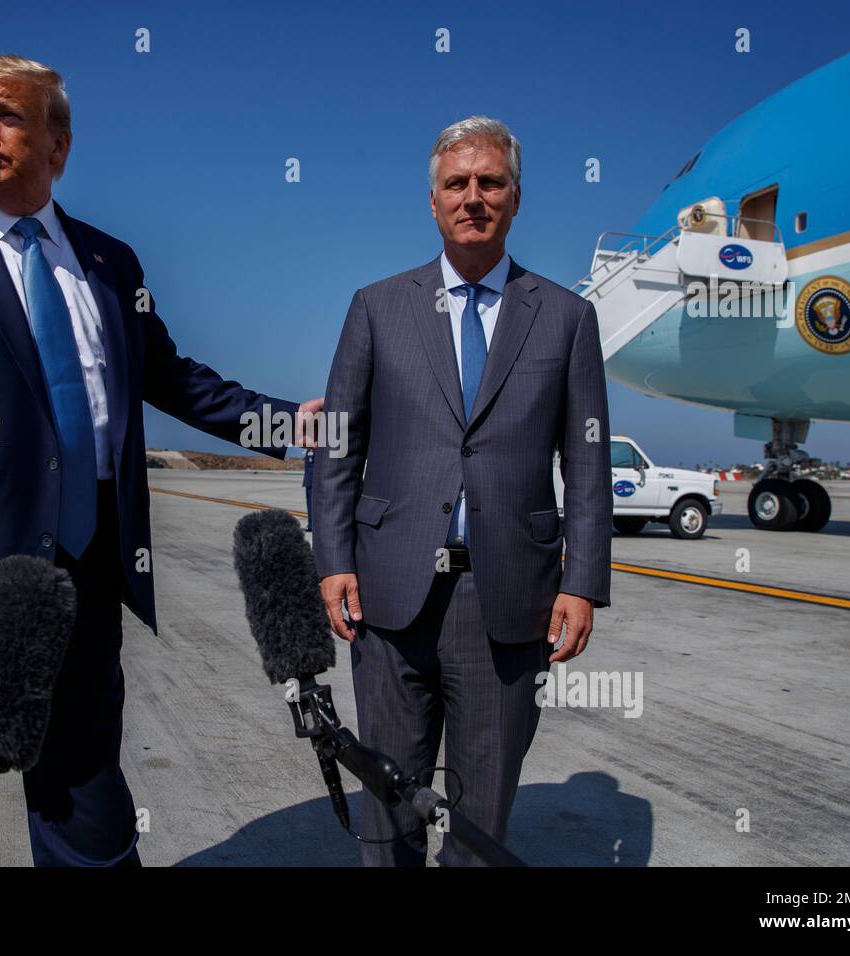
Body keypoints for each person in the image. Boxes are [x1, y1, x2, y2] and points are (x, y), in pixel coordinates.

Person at [0, 54, 322, 866]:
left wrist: (287, 425)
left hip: (84, 586)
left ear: (58, 143)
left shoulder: (109, 261)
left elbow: (171, 375)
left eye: (8, 115)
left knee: (90, 820)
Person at [313, 116, 611, 866]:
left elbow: (587, 462)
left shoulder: (569, 319)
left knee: (482, 820)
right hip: (388, 595)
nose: (473, 197)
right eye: (457, 184)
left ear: (516, 198)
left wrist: (583, 582)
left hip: (508, 601)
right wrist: (333, 561)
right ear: (435, 201)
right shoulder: (377, 307)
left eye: (490, 183)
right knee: (387, 806)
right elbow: (337, 448)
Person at [302, 447, 315, 532]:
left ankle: (312, 525)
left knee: (312, 505)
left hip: (312, 482)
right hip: (309, 481)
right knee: (310, 505)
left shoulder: (315, 451)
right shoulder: (309, 450)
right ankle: (311, 525)